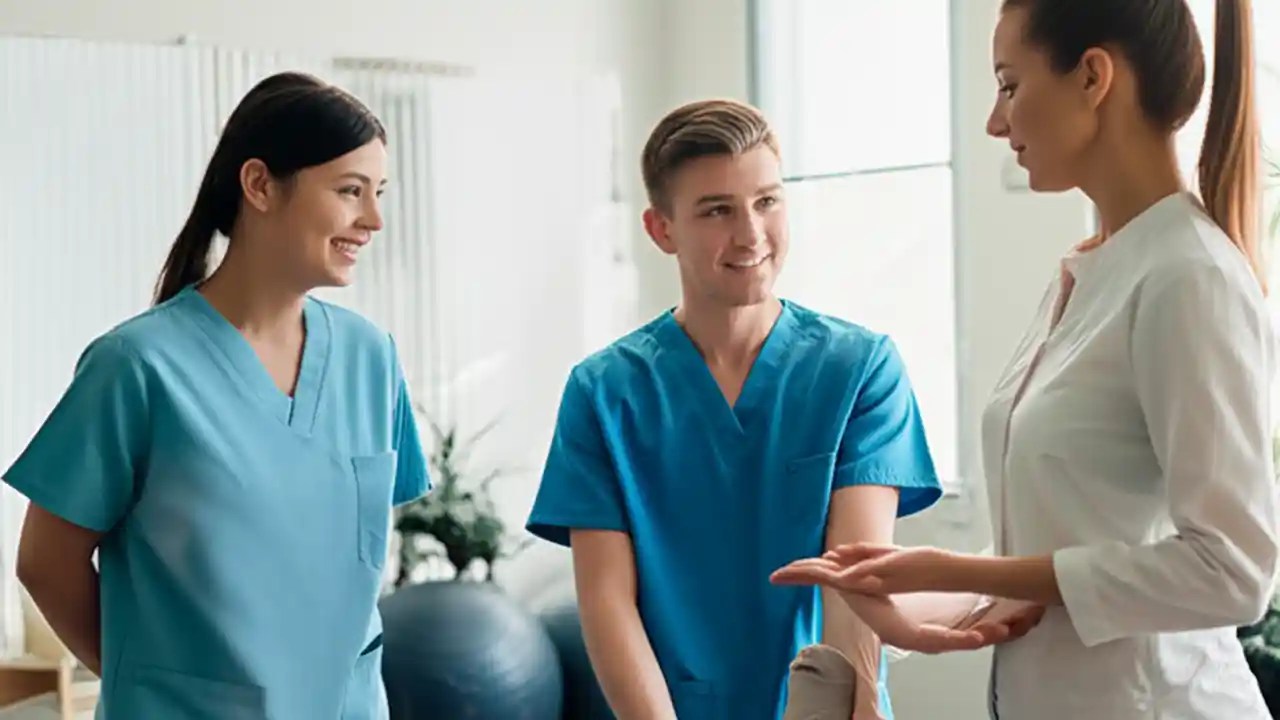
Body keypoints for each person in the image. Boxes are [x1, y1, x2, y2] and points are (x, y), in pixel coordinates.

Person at [772, 1, 1279, 718]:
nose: (995, 121)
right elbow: (1052, 547)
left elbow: (1233, 570)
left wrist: (962, 567)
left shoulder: (1189, 277)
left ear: (1094, 77)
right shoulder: (1091, 271)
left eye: (1010, 85)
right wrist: (892, 596)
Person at [524, 98, 1032, 720]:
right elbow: (607, 604)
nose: (750, 234)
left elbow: (857, 579)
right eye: (717, 211)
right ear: (662, 230)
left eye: (767, 202)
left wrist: (854, 706)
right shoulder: (603, 393)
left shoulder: (859, 368)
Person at [3, 71, 430, 719]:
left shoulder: (371, 359)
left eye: (379, 193)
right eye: (349, 191)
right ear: (259, 185)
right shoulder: (137, 367)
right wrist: (152, 684)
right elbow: (45, 563)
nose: (373, 219)